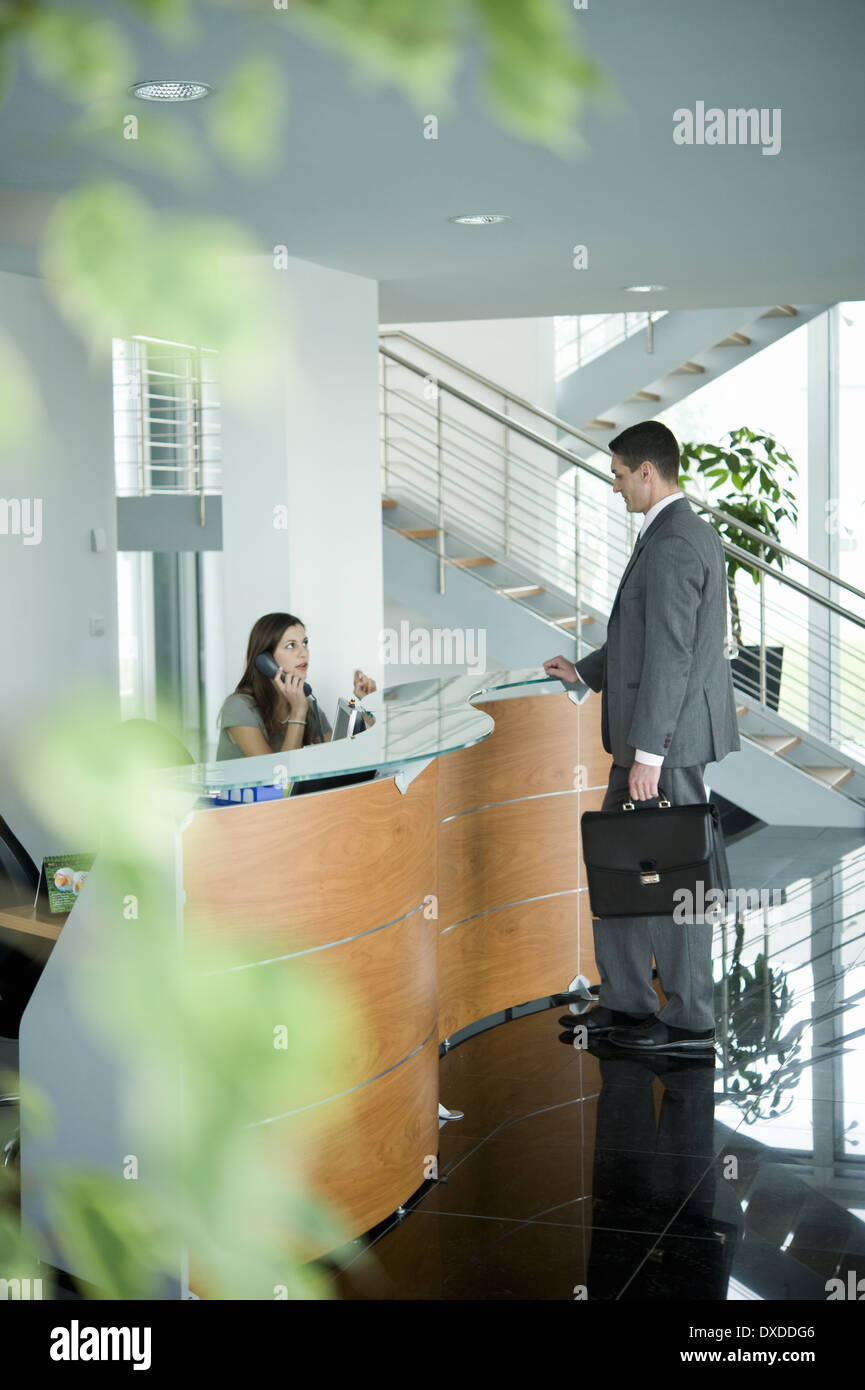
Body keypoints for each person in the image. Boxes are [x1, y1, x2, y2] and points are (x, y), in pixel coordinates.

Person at [544, 420, 740, 1053]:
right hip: (650, 740)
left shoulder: (677, 541)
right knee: (621, 868)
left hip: (664, 744)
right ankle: (628, 1003)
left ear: (647, 472)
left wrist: (648, 754)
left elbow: (674, 655)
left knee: (676, 878)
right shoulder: (677, 532)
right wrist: (585, 671)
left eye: (619, 476)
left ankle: (688, 1021)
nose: (616, 488)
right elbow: (642, 637)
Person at [217, 611, 377, 759]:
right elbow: (276, 778)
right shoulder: (239, 707)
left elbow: (340, 752)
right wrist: (298, 712)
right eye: (291, 645)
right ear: (265, 660)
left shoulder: (304, 702)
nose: (304, 653)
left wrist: (369, 705)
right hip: (253, 790)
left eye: (305, 643)